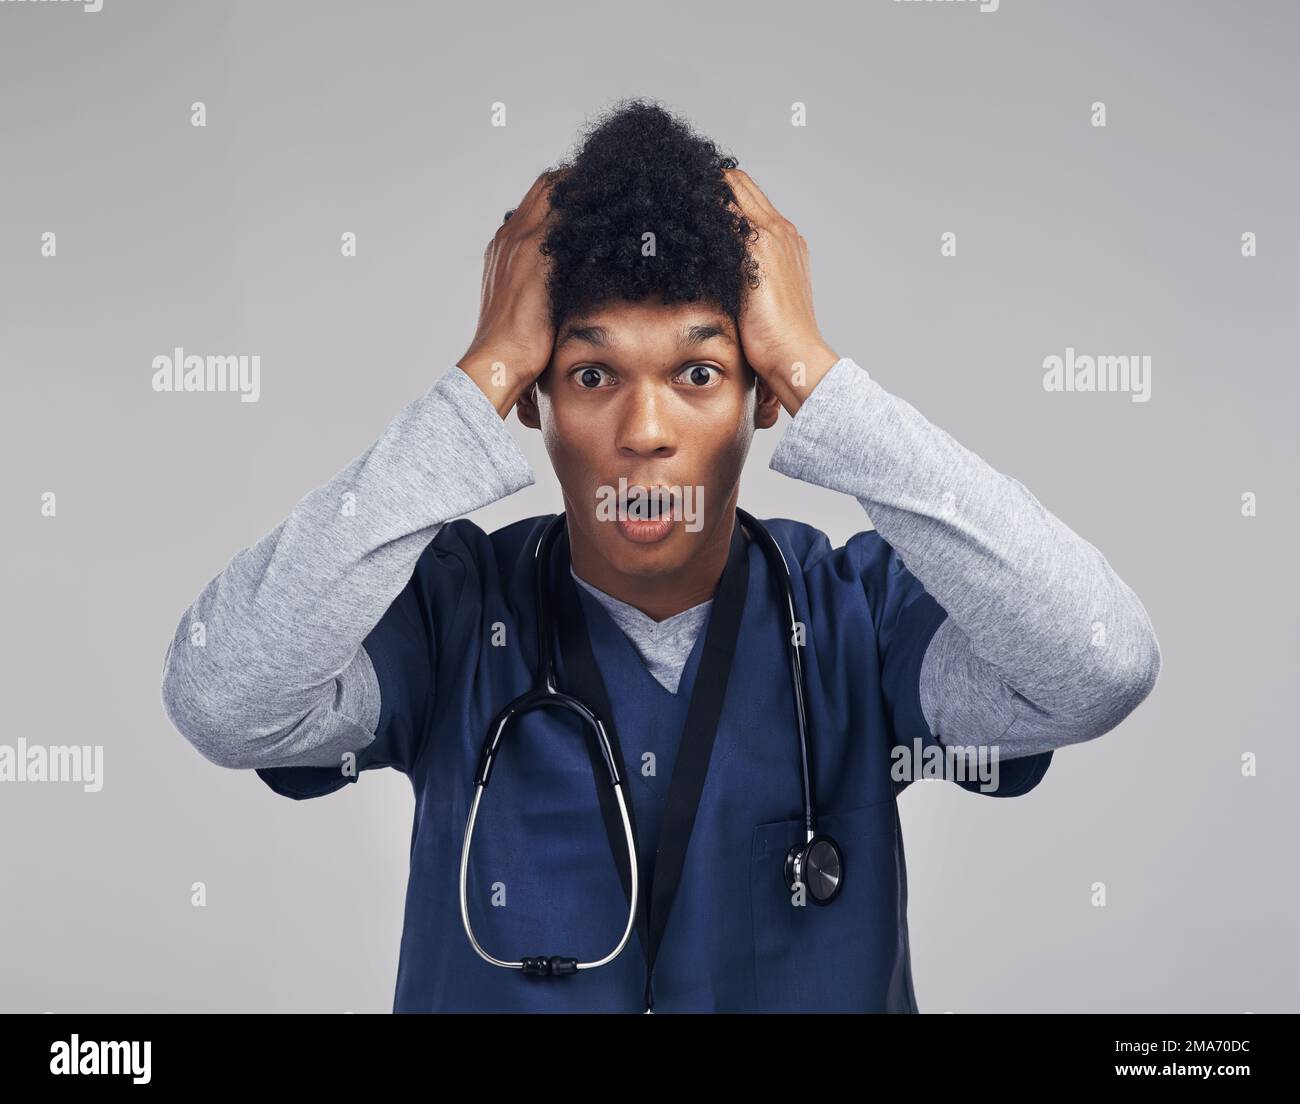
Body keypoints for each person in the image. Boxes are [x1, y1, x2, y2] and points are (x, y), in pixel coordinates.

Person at [160, 99, 1161, 1013]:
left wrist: (818, 371)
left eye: (698, 371)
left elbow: (1098, 663)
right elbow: (224, 697)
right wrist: (484, 369)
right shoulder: (448, 613)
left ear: (760, 398)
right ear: (534, 404)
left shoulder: (856, 615)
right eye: (590, 372)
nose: (645, 429)